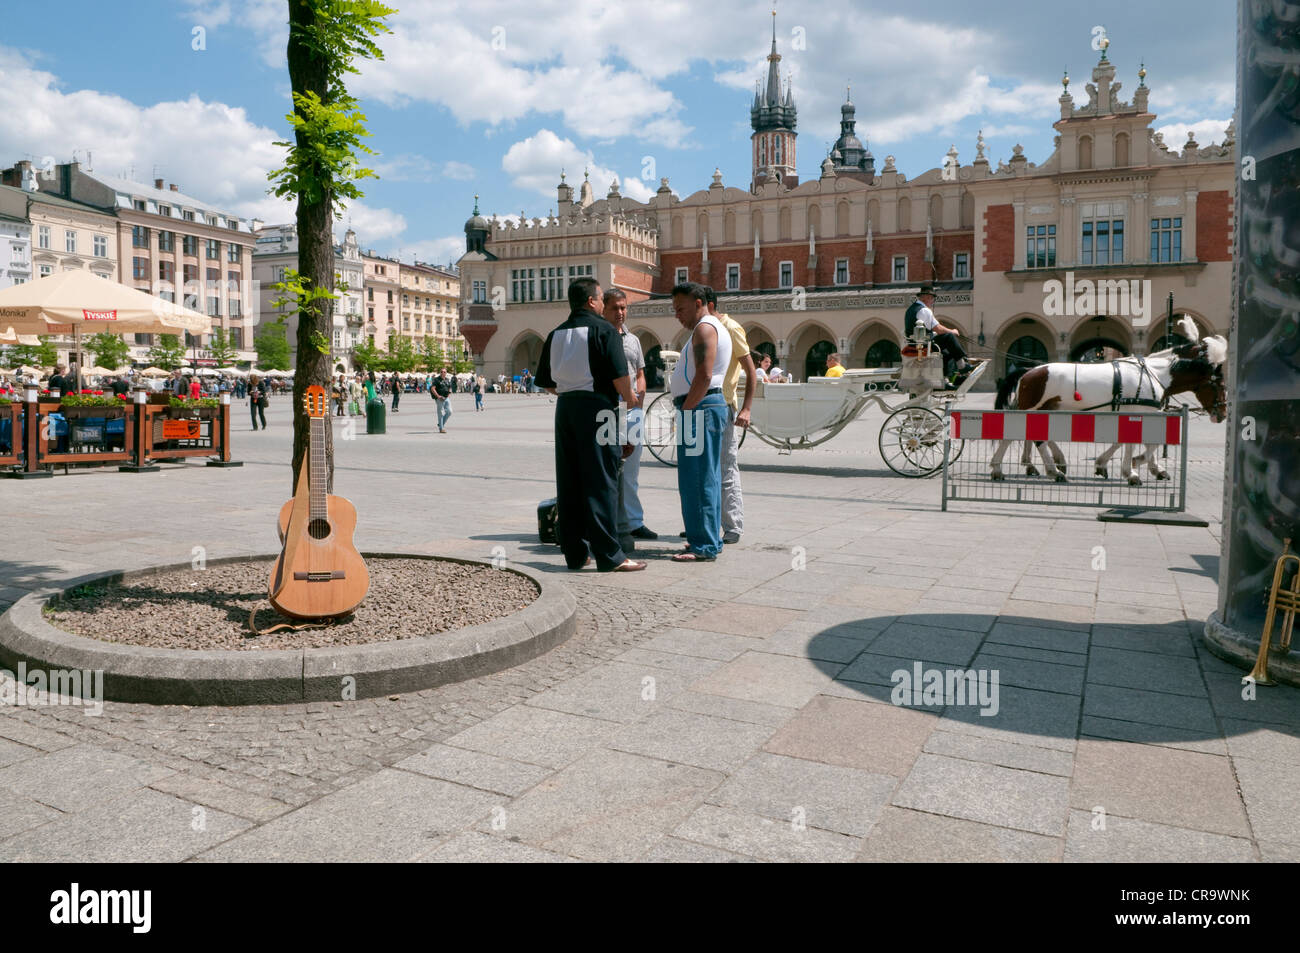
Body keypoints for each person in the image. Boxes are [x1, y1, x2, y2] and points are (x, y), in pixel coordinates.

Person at [536, 276, 646, 573]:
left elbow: (545, 382)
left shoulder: (555, 333)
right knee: (602, 481)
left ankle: (575, 553)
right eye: (600, 299)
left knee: (569, 481)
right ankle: (610, 555)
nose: (602, 304)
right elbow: (619, 376)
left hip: (566, 409)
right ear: (591, 301)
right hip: (599, 408)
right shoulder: (604, 331)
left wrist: (570, 391)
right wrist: (631, 399)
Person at [670, 282, 730, 562]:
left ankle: (703, 545)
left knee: (697, 479)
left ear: (698, 302)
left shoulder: (705, 329)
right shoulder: (710, 327)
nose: (677, 314)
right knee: (706, 476)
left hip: (699, 408)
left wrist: (686, 411)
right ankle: (705, 539)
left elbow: (704, 377)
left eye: (680, 308)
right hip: (704, 407)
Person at [602, 288, 657, 540]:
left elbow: (640, 373)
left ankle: (634, 521)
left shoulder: (633, 339)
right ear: (604, 309)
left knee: (632, 469)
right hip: (608, 410)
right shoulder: (600, 336)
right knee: (607, 467)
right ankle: (609, 519)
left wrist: (641, 396)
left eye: (623, 307)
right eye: (615, 308)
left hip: (632, 411)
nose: (620, 312)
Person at [704, 287, 756, 546]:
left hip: (723, 404)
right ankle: (708, 521)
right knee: (705, 468)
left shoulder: (731, 328)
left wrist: (746, 408)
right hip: (701, 407)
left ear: (709, 304)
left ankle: (733, 525)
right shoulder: (703, 328)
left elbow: (750, 370)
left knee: (726, 465)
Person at [905, 284, 978, 386]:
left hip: (914, 344)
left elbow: (931, 328)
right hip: (923, 346)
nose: (933, 301)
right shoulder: (924, 310)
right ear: (927, 297)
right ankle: (962, 365)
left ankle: (944, 380)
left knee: (946, 353)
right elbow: (938, 329)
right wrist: (952, 331)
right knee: (949, 337)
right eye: (932, 299)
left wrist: (938, 332)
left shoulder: (911, 309)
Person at [433, 366, 453, 432]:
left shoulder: (447, 380)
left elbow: (450, 388)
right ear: (440, 372)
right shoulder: (436, 380)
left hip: (446, 398)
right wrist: (438, 396)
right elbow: (432, 389)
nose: (443, 373)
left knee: (449, 411)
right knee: (440, 413)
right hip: (439, 398)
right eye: (441, 372)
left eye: (444, 372)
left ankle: (440, 424)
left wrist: (449, 394)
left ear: (446, 373)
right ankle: (441, 428)